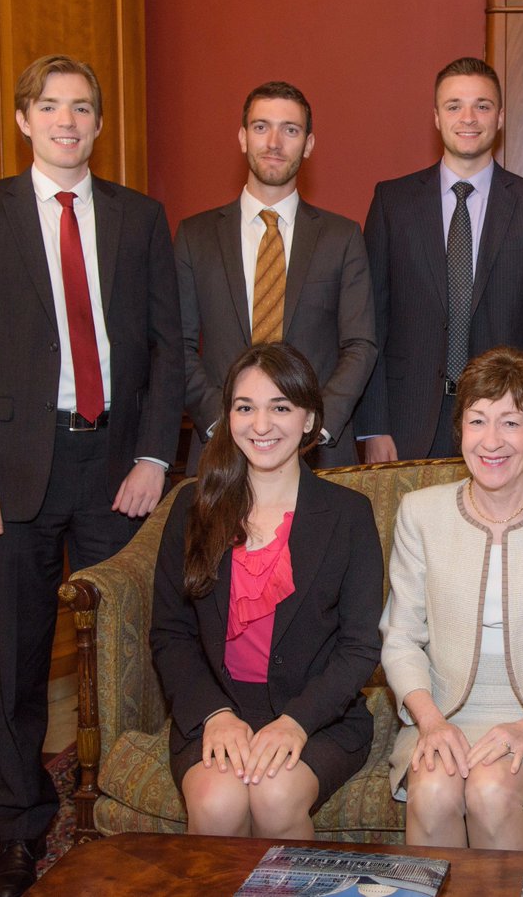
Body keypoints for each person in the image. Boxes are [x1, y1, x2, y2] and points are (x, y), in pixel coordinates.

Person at [0, 54, 183, 897]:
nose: (66, 121)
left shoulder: (140, 217)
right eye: (49, 106)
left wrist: (154, 456)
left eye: (81, 107)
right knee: (19, 661)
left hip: (117, 468)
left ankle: (122, 808)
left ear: (99, 124)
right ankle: (18, 826)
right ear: (23, 119)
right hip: (12, 472)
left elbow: (166, 347)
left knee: (126, 651)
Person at [380, 346, 523, 849]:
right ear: (460, 429)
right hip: (440, 713)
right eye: (477, 421)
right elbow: (400, 638)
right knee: (433, 793)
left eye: (511, 422)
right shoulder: (420, 513)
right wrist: (430, 722)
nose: (491, 441)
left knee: (489, 791)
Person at [150, 343, 382, 840]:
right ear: (228, 417)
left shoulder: (349, 514)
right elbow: (170, 633)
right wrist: (214, 714)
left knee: (274, 796)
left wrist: (297, 720)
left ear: (309, 419)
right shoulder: (192, 507)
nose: (261, 425)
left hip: (318, 716)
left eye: (280, 407)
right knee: (217, 802)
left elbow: (360, 646)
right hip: (215, 708)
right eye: (245, 408)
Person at [356, 58, 523, 462]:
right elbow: (371, 322)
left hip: (503, 421)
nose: (468, 118)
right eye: (454, 106)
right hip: (407, 421)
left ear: (500, 117)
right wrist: (374, 425)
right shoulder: (392, 203)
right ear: (436, 117)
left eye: (482, 106)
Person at [175, 81, 375, 469]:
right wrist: (222, 422)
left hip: (317, 454)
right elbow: (177, 346)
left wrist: (317, 425)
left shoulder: (342, 237)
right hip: (223, 452)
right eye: (261, 127)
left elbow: (360, 344)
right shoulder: (195, 237)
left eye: (290, 130)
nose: (274, 142)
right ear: (243, 137)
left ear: (309, 144)